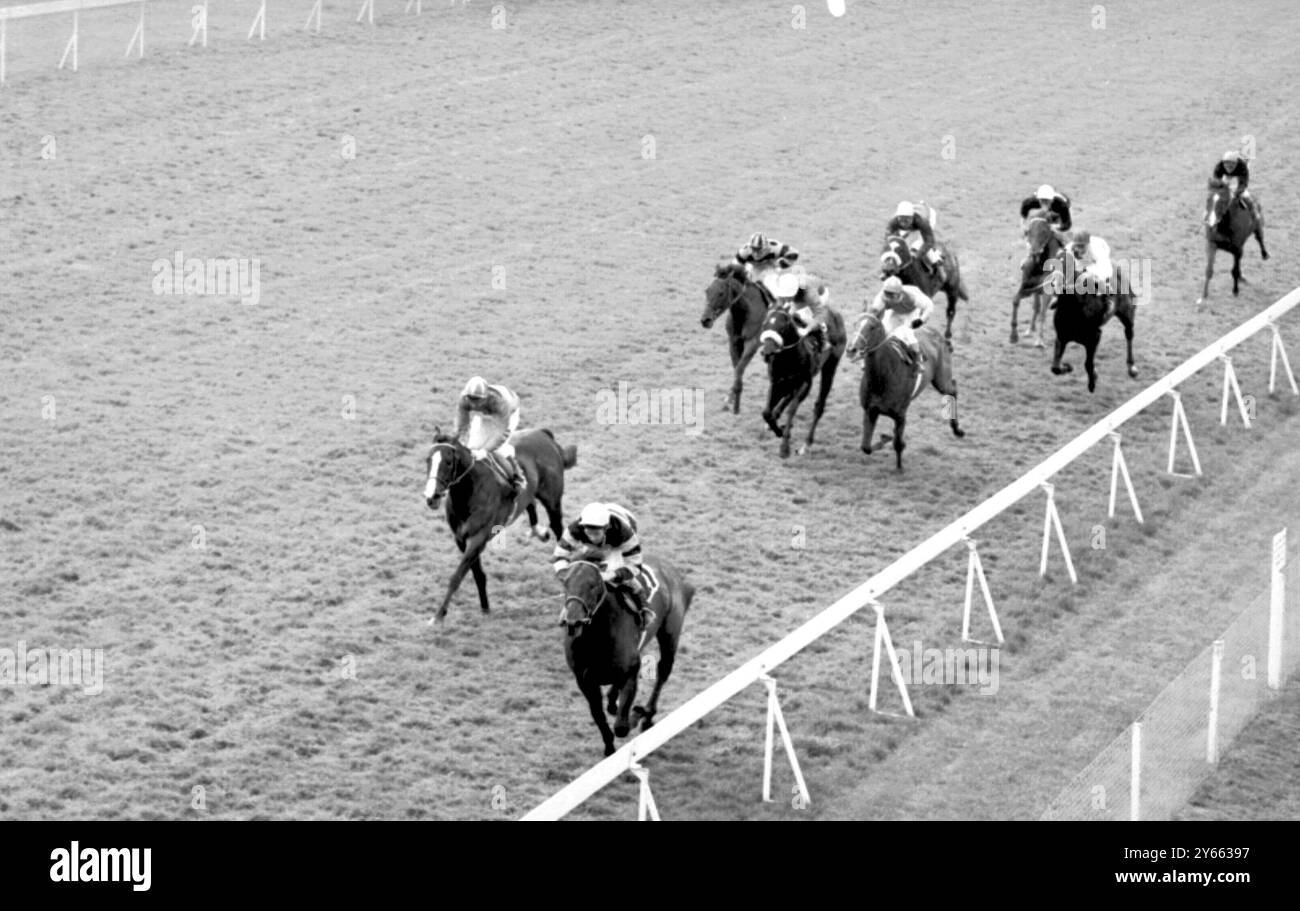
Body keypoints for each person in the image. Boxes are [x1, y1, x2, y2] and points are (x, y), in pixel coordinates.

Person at [552, 502, 654, 628]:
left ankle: (644, 608)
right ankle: (570, 608)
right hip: (589, 546)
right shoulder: (575, 528)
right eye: (589, 533)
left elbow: (635, 565)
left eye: (596, 534)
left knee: (625, 578)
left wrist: (611, 574)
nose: (593, 537)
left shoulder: (623, 532)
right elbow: (560, 555)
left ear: (605, 529)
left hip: (616, 545)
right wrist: (565, 574)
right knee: (579, 575)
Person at [735, 232, 826, 355]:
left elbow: (820, 314)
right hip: (793, 289)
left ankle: (823, 342)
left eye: (787, 297)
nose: (785, 299)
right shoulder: (786, 286)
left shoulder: (809, 293)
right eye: (785, 296)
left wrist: (806, 330)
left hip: (820, 293)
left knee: (808, 319)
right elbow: (779, 305)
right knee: (788, 313)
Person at [454, 376, 526, 497]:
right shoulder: (464, 399)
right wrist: (462, 443)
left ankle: (517, 476)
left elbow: (501, 433)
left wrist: (485, 450)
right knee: (472, 447)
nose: (473, 404)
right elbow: (462, 427)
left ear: (485, 397)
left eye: (477, 400)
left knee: (498, 450)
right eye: (471, 399)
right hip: (485, 414)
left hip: (508, 413)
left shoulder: (500, 402)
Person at [864, 275, 933, 366]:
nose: (888, 297)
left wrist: (921, 320)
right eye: (887, 293)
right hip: (895, 311)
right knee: (885, 330)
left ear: (899, 293)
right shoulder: (881, 297)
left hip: (911, 312)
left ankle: (918, 356)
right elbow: (874, 312)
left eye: (891, 294)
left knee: (906, 332)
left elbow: (929, 306)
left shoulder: (912, 296)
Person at [885, 201, 946, 284]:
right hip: (914, 223)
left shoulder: (921, 221)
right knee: (903, 241)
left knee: (919, 243)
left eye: (906, 220)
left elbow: (929, 241)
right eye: (901, 219)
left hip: (929, 217)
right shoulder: (893, 222)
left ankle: (936, 261)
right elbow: (889, 241)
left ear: (912, 217)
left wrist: (918, 255)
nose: (903, 223)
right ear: (897, 217)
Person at [1068, 229, 1117, 316]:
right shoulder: (1070, 248)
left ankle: (1108, 299)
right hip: (1083, 262)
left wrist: (1092, 275)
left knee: (1097, 279)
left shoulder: (1097, 249)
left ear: (1088, 244)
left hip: (1098, 263)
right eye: (1077, 246)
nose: (1079, 249)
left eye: (1082, 246)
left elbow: (1102, 268)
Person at [1206, 150, 1258, 227]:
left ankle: (1254, 215)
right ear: (1223, 164)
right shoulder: (1219, 167)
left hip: (1240, 174)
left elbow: (1243, 184)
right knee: (1216, 197)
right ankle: (1210, 215)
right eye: (1226, 166)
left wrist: (1237, 193)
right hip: (1225, 176)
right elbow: (1216, 183)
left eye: (1231, 166)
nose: (1228, 168)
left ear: (1235, 164)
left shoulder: (1242, 166)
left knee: (1246, 195)